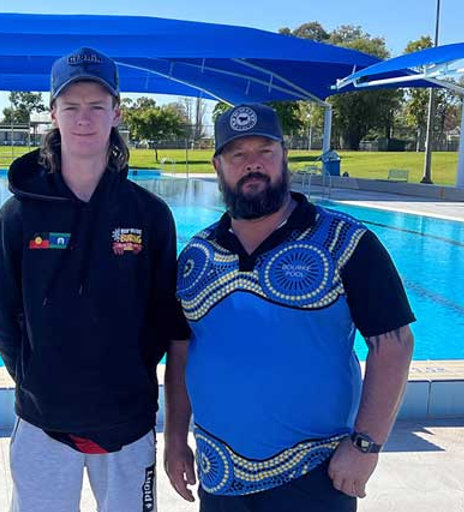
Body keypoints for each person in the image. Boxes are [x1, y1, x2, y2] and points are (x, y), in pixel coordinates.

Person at [164, 103, 415, 512]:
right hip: (219, 474)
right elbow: (180, 351)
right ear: (218, 166)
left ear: (284, 155)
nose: (252, 165)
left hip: (315, 474)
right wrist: (175, 441)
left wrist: (366, 447)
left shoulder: (344, 242)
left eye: (264, 150)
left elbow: (395, 343)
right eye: (238, 155)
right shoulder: (197, 257)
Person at [0, 47, 190, 512]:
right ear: (53, 113)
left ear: (116, 113)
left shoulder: (150, 215)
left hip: (127, 420)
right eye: (71, 106)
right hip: (42, 421)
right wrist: (36, 379)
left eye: (97, 106)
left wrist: (129, 371)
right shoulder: (19, 213)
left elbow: (164, 316)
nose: (84, 119)